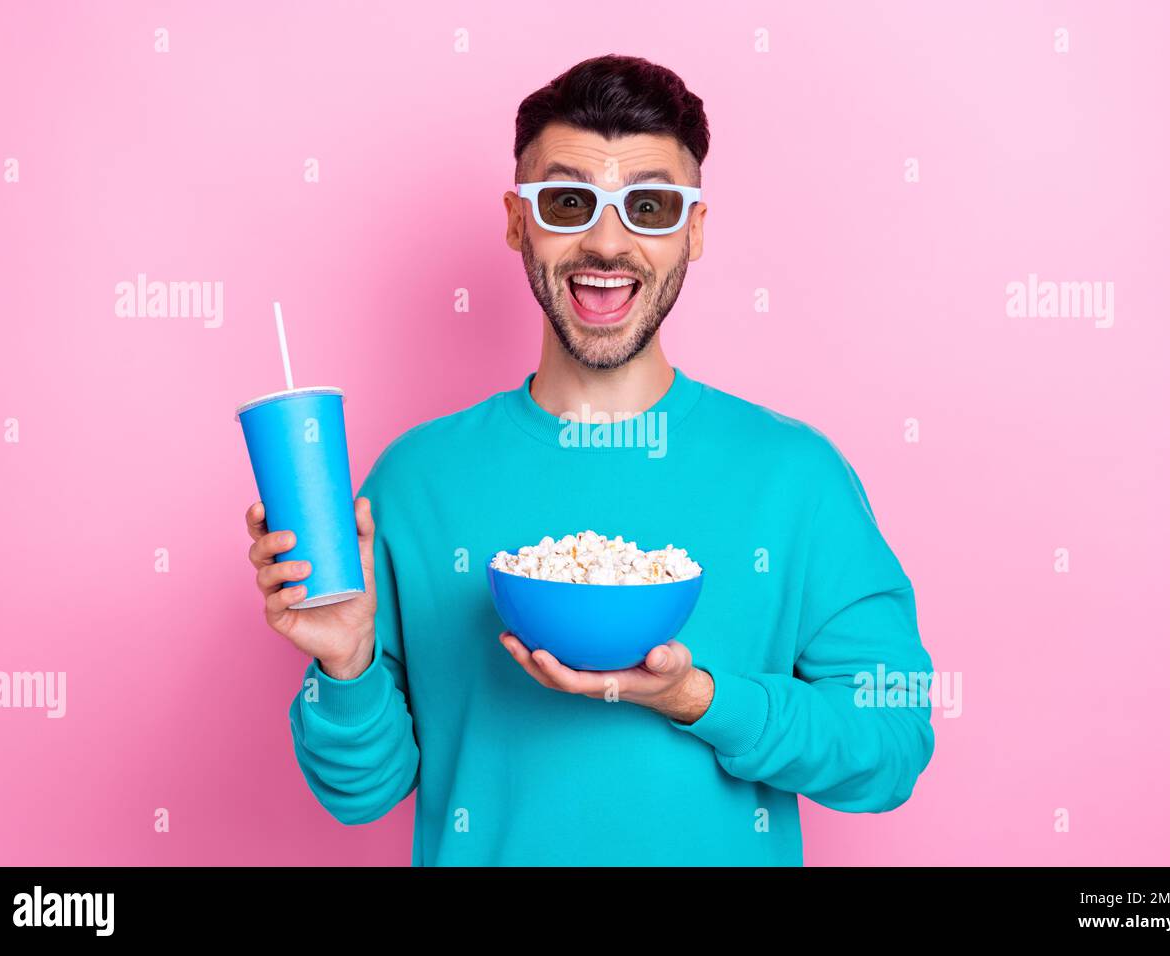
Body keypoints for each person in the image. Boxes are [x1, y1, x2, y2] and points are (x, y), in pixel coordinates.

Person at [244, 54, 935, 866]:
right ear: (516, 220)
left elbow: (891, 748)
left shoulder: (797, 477)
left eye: (651, 205)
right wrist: (347, 662)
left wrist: (699, 699)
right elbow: (361, 795)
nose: (607, 243)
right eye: (569, 202)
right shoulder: (414, 481)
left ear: (695, 231)